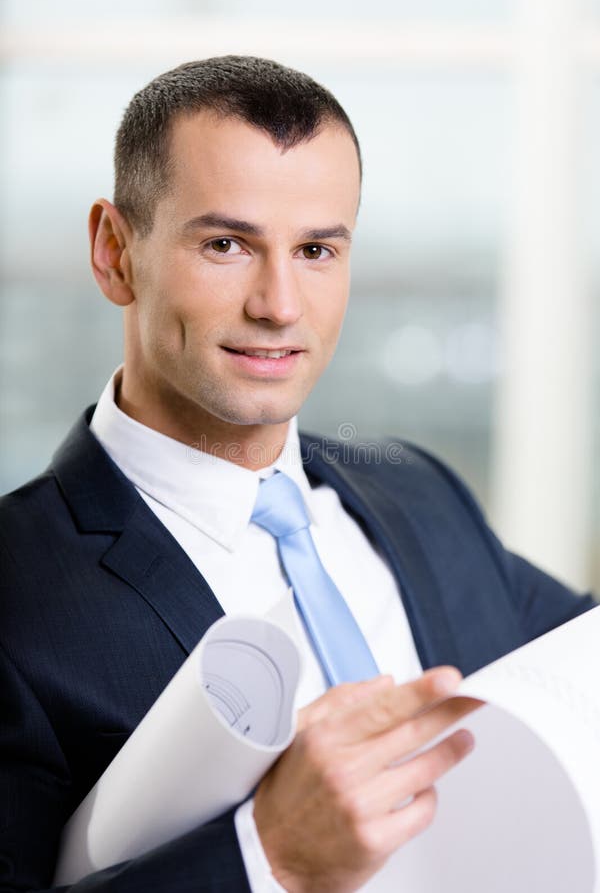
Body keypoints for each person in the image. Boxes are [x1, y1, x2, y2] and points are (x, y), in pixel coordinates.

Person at [0, 55, 595, 893]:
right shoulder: (15, 587)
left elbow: (581, 656)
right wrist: (268, 855)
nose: (279, 303)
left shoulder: (418, 491)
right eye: (226, 244)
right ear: (114, 252)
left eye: (316, 249)